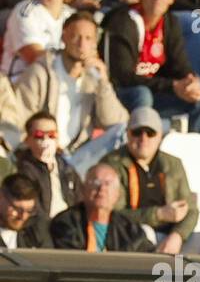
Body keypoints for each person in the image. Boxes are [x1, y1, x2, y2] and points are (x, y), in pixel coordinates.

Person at [100, 106, 200, 256]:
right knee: (145, 232)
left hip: (171, 238)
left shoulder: (173, 164)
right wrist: (159, 214)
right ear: (127, 134)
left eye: (150, 133)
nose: (144, 139)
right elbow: (113, 215)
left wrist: (177, 236)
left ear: (160, 136)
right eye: (137, 132)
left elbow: (191, 210)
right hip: (131, 240)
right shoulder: (112, 165)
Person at [11, 12, 128, 176]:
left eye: (88, 39)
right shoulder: (41, 71)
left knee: (124, 131)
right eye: (76, 37)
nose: (82, 44)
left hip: (77, 155)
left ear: (95, 43)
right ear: (63, 37)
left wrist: (103, 82)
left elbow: (115, 121)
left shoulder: (94, 78)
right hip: (43, 152)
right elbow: (19, 121)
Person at [102, 0, 200, 137]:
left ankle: (198, 154)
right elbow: (123, 76)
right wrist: (172, 86)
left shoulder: (171, 22)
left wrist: (190, 81)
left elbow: (179, 64)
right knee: (142, 94)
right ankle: (138, 149)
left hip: (158, 90)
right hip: (125, 92)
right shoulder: (123, 21)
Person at [50, 162, 152, 250]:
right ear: (83, 189)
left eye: (108, 183)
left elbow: (149, 256)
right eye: (96, 182)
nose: (102, 188)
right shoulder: (65, 223)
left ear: (117, 194)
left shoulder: (129, 229)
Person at [13, 111, 81, 222]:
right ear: (28, 140)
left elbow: (80, 199)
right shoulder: (24, 171)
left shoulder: (67, 167)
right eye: (39, 135)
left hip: (70, 225)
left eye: (51, 135)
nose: (46, 140)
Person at [1, 0, 75, 82]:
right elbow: (35, 57)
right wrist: (76, 61)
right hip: (22, 83)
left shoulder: (73, 16)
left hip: (62, 82)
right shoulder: (25, 12)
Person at [0, 172, 53, 247]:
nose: (23, 216)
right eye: (17, 209)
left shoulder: (35, 229)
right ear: (1, 198)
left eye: (29, 210)